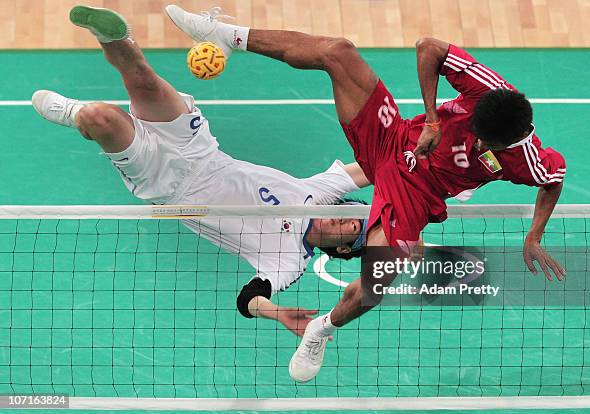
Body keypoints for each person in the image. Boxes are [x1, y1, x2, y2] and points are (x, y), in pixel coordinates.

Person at [164, 5, 567, 382]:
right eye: (475, 133)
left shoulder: (529, 159)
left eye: (485, 145)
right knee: (338, 52)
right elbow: (429, 48)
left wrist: (533, 235)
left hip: (415, 193)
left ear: (508, 143)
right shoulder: (489, 88)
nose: (476, 144)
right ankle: (224, 33)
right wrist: (430, 118)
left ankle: (322, 330)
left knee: (375, 284)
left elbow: (553, 180)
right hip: (391, 140)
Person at [31, 5, 371, 338]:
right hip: (199, 148)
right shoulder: (319, 198)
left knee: (100, 118)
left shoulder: (288, 261)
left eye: (348, 225)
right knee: (143, 79)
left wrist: (277, 313)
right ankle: (112, 35)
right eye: (345, 210)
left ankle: (76, 115)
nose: (338, 217)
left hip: (163, 182)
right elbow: (374, 166)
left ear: (341, 249)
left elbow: (248, 299)